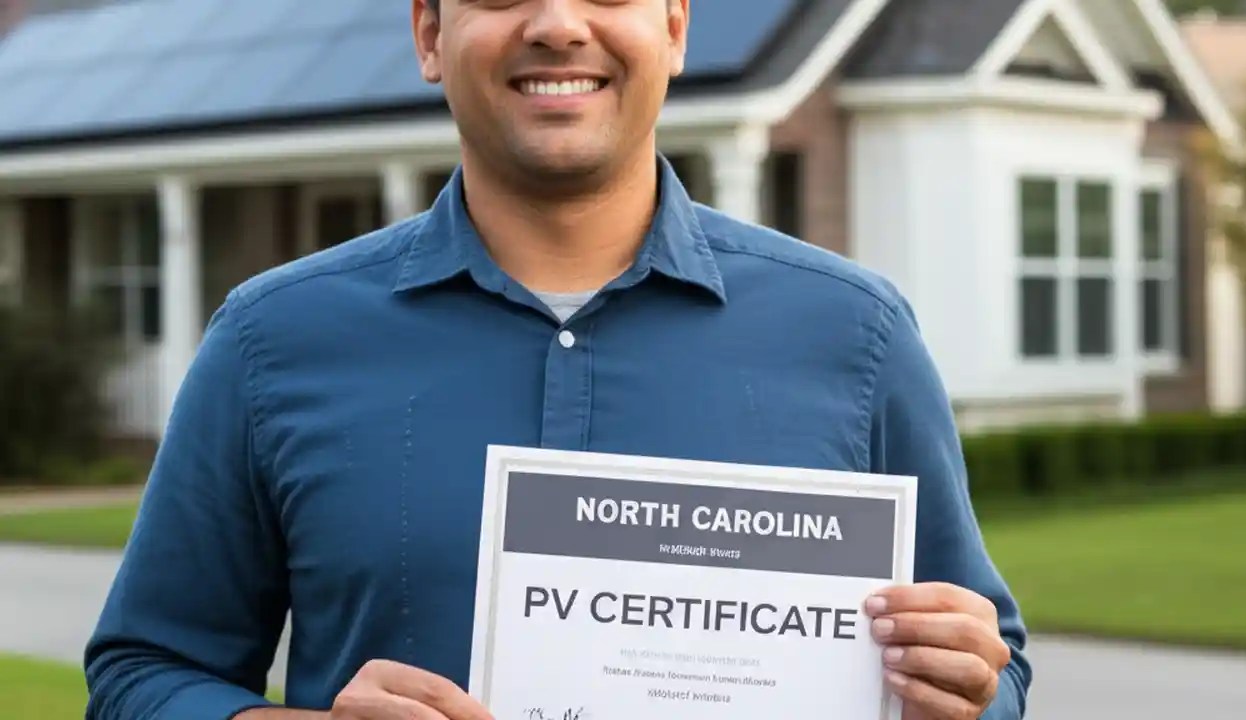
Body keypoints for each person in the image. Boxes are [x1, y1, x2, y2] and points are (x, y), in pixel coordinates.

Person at [83, 1, 1031, 718]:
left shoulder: (856, 334)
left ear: (674, 26)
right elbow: (140, 675)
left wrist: (963, 689)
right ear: (428, 33)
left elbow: (998, 670)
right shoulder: (271, 339)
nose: (558, 25)